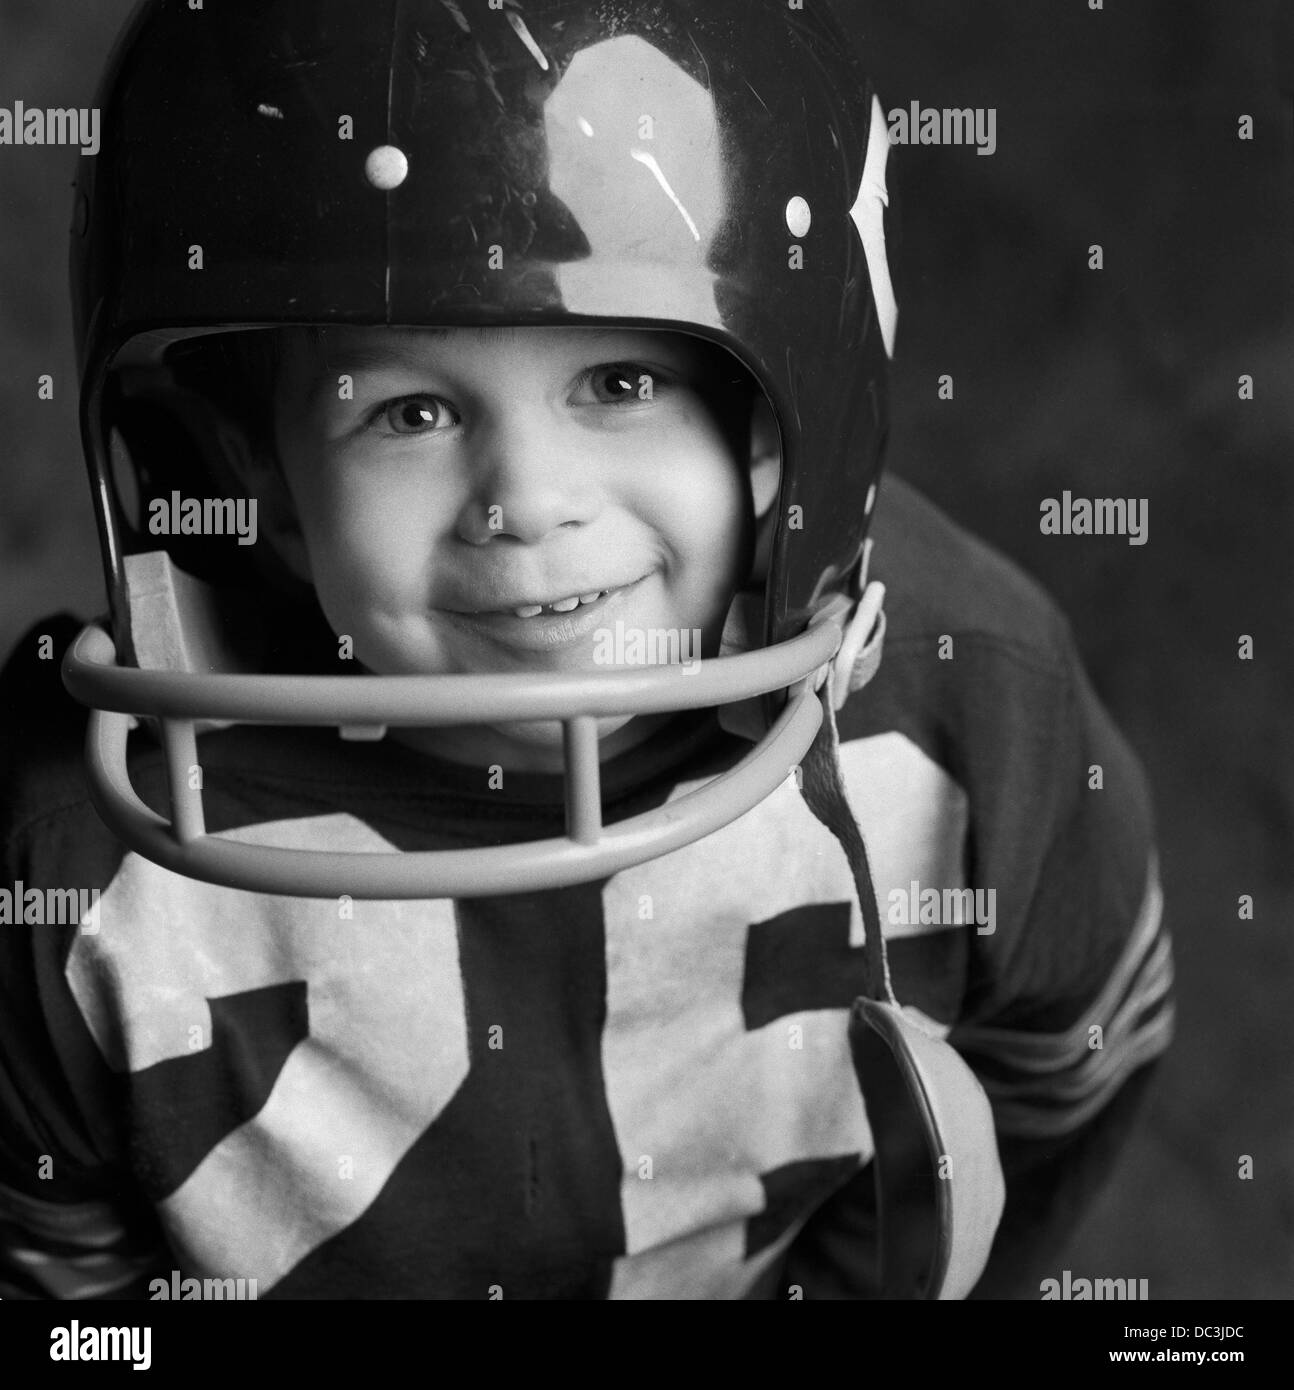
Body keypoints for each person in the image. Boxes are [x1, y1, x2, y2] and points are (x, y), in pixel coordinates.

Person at [0, 0, 1172, 1300]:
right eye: (410, 411)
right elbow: (63, 1283)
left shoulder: (979, 710)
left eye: (620, 383)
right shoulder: (66, 864)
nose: (529, 502)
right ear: (248, 477)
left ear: (781, 422)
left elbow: (1056, 1074)